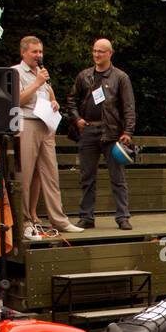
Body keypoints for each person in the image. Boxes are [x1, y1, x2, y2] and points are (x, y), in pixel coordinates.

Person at [14, 36, 82, 238]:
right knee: (24, 175)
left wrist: (54, 103)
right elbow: (16, 100)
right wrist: (36, 83)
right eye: (34, 52)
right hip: (26, 123)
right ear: (24, 52)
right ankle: (25, 221)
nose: (38, 56)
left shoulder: (42, 74)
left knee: (51, 174)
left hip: (46, 125)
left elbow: (48, 95)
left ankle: (59, 220)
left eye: (41, 52)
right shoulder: (16, 72)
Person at [66, 38, 135, 230]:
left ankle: (122, 216)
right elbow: (71, 100)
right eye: (95, 51)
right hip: (88, 130)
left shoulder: (121, 77)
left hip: (112, 132)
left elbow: (128, 106)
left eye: (101, 51)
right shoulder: (84, 76)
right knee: (87, 176)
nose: (97, 54)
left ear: (110, 53)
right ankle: (86, 216)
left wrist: (128, 131)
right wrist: (77, 119)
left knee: (117, 177)